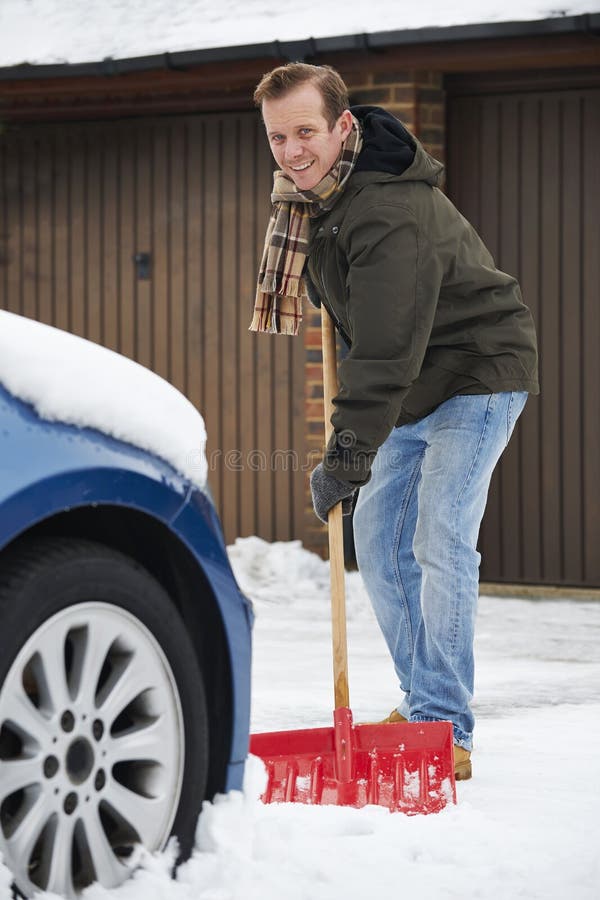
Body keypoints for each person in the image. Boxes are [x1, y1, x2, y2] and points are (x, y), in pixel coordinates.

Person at [250, 62, 539, 780]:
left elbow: (383, 349)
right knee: (378, 542)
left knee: (440, 535)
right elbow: (365, 333)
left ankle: (444, 721)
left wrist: (346, 455)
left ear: (343, 126)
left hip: (476, 370)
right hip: (412, 385)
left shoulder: (386, 210)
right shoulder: (315, 207)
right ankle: (421, 704)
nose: (292, 150)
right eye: (278, 137)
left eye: (305, 131)